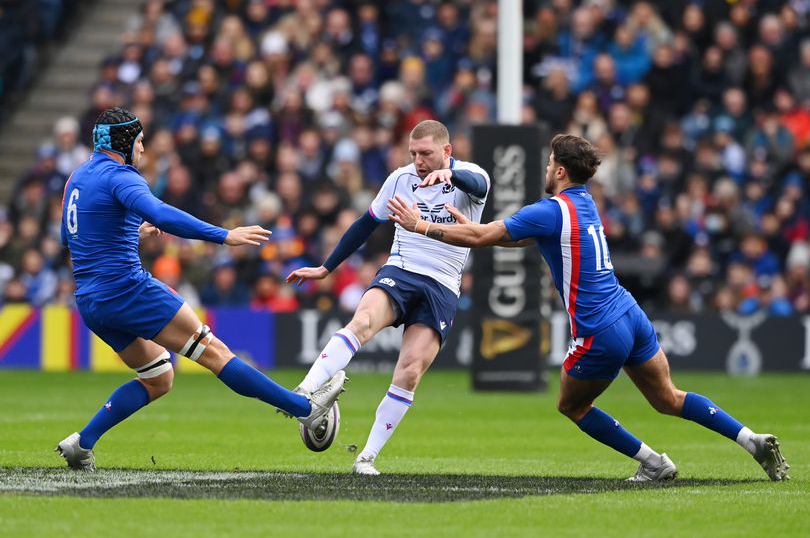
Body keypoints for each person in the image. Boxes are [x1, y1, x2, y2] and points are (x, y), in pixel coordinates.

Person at [387, 133, 789, 481]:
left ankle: (653, 463)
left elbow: (485, 236)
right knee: (669, 397)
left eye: (550, 163)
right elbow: (513, 237)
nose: (547, 168)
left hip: (599, 328)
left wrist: (420, 225)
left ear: (560, 170)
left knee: (572, 404)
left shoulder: (548, 210)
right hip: (630, 314)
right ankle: (750, 439)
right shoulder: (584, 202)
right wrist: (475, 230)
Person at [56, 107, 346, 471]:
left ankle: (82, 443)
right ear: (124, 143)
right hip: (127, 289)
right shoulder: (122, 177)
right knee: (215, 353)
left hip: (90, 301)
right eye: (140, 141)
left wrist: (127, 232)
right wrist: (225, 235)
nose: (143, 149)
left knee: (158, 377)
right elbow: (161, 214)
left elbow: (69, 236)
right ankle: (305, 408)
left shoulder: (77, 177)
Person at [286, 120, 490, 475]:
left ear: (447, 151)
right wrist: (326, 268)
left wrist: (451, 175)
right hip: (402, 269)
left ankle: (366, 458)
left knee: (410, 372)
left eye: (426, 153)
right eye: (413, 153)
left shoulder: (470, 178)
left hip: (442, 284)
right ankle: (305, 391)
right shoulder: (400, 179)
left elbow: (479, 184)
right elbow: (366, 223)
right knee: (362, 321)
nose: (418, 161)